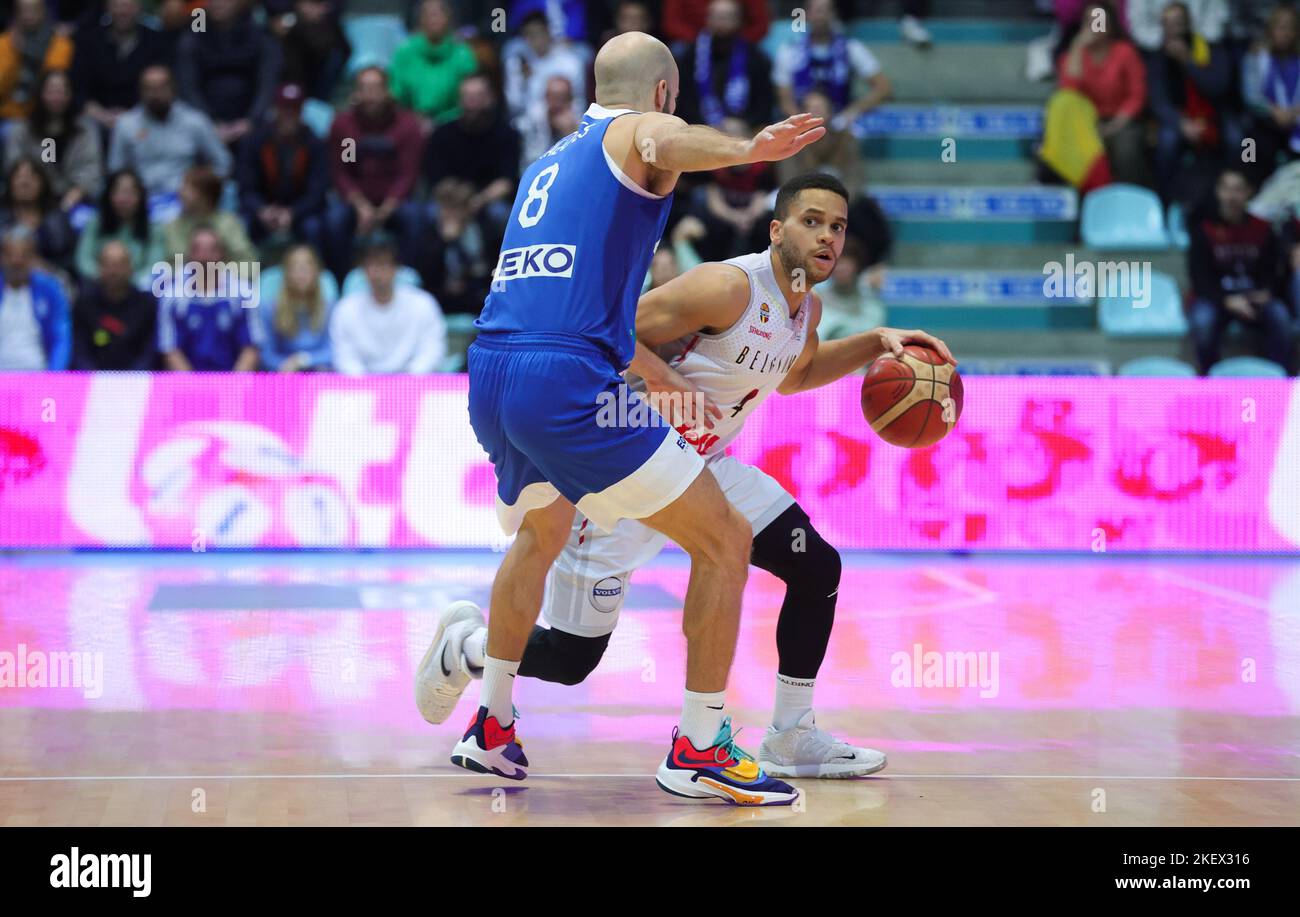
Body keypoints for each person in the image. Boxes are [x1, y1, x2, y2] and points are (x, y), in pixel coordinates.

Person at [419, 172, 955, 778]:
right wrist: (667, 381)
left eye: (837, 226)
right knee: (570, 659)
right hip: (629, 469)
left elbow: (797, 373)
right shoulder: (726, 287)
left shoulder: (808, 308)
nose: (827, 236)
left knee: (816, 564)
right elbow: (610, 333)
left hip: (705, 469)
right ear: (777, 229)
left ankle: (790, 735)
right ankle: (467, 649)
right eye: (812, 221)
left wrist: (874, 344)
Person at [432, 29, 828, 806]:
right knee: (725, 539)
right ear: (663, 93)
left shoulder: (549, 160)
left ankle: (491, 722)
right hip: (564, 377)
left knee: (540, 534)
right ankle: (700, 745)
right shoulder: (633, 131)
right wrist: (748, 144)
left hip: (492, 366)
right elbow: (662, 138)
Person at [1187, 167, 1295, 373]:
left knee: (1280, 316)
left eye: (1238, 190)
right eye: (1226, 189)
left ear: (1248, 193)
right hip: (1216, 298)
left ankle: (1283, 382)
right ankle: (1208, 379)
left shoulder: (1263, 229)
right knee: (1202, 321)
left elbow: (1274, 270)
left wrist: (1267, 291)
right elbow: (1199, 278)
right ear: (1218, 192)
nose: (1231, 196)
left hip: (1254, 297)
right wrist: (1226, 300)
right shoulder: (1204, 229)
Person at [324, 67, 426, 281]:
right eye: (364, 89)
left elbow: (407, 174)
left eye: (376, 88)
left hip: (395, 202)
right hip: (356, 203)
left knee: (415, 219)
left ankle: (409, 281)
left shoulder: (406, 125)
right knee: (334, 220)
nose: (370, 95)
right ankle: (342, 281)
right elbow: (343, 172)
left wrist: (386, 209)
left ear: (387, 91)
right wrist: (361, 207)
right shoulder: (346, 126)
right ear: (356, 93)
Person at [107, 65, 232, 198]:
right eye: (149, 89)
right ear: (141, 92)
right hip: (141, 202)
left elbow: (222, 163)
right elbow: (116, 170)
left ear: (173, 89)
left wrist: (201, 189)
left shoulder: (195, 121)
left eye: (160, 88)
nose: (155, 95)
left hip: (185, 199)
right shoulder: (126, 125)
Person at [328, 235, 446, 374]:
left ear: (396, 267)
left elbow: (432, 350)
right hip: (362, 390)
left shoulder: (423, 305)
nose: (375, 272)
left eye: (382, 264)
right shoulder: (345, 310)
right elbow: (344, 356)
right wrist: (365, 384)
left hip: (412, 388)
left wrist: (408, 381)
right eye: (369, 265)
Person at [175, 0, 281, 150]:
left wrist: (250, 121)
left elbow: (268, 84)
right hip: (203, 120)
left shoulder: (259, 33)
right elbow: (188, 87)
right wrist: (210, 123)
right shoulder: (194, 34)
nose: (217, 2)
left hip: (252, 119)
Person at [236, 83, 328, 249]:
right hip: (263, 209)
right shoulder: (254, 141)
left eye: (294, 109)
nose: (289, 115)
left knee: (314, 227)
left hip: (300, 211)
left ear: (301, 112)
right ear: (275, 110)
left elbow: (317, 193)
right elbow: (246, 188)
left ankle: (316, 273)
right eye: (285, 109)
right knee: (242, 225)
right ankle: (244, 275)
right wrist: (262, 210)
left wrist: (293, 212)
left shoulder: (315, 144)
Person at [156, 227, 261, 371]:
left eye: (211, 250)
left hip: (233, 383)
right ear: (189, 255)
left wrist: (233, 388)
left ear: (222, 254)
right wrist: (194, 387)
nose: (204, 257)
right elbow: (169, 349)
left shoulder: (243, 292)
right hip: (187, 384)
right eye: (198, 250)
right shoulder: (171, 295)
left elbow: (251, 348)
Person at [773, 0, 892, 126]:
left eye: (825, 10)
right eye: (815, 10)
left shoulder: (851, 48)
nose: (820, 15)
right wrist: (800, 124)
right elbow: (785, 100)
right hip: (801, 123)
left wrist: (852, 111)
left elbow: (883, 88)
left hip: (840, 123)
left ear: (833, 14)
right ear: (806, 14)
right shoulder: (789, 51)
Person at [5, 69, 104, 212]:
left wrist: (74, 195)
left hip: (75, 200)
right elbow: (15, 168)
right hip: (31, 201)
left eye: (62, 92)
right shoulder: (21, 131)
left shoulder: (86, 131)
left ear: (70, 95)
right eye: (51, 91)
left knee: (82, 218)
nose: (56, 97)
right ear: (40, 94)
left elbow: (92, 170)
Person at [70, 0, 174, 137]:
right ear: (107, 7)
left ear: (139, 8)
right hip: (95, 118)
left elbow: (163, 86)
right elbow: (77, 87)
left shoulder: (157, 41)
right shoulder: (88, 40)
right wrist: (101, 115)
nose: (123, 11)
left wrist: (130, 118)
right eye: (117, 5)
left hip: (145, 117)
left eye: (128, 6)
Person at [71, 239, 158, 369]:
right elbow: (79, 351)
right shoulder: (84, 304)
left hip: (137, 382)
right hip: (93, 382)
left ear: (130, 268)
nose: (113, 271)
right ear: (99, 268)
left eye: (119, 265)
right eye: (108, 265)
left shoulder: (146, 304)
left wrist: (133, 379)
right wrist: (95, 379)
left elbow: (150, 352)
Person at [390, 0, 477, 125]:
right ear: (420, 20)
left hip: (455, 124)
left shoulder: (463, 54)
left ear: (449, 19)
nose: (433, 19)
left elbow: (469, 99)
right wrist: (414, 120)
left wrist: (442, 121)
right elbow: (396, 95)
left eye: (438, 14)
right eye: (428, 14)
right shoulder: (404, 53)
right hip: (412, 124)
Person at [74, 168, 163, 289]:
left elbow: (154, 266)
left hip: (137, 291)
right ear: (109, 195)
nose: (125, 198)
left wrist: (126, 283)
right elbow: (83, 260)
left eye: (130, 193)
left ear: (140, 197)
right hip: (99, 287)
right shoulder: (95, 223)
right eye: (119, 192)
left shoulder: (153, 228)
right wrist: (107, 279)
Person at [0, 225, 70, 371]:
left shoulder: (50, 289)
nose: (16, 262)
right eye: (10, 254)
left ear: (33, 258)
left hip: (36, 376)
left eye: (23, 255)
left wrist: (53, 377)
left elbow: (61, 338)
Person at [258, 244, 334, 372]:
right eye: (295, 267)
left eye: (306, 267)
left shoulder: (329, 308)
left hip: (318, 375)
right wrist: (285, 365)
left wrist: (303, 360)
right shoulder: (269, 309)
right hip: (281, 374)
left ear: (317, 272)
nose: (301, 273)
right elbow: (265, 354)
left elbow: (333, 351)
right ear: (285, 273)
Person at [161, 165, 255, 264]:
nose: (181, 192)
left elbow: (248, 262)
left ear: (206, 195)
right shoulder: (173, 226)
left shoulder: (229, 224)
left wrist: (219, 275)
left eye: (188, 188)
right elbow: (166, 265)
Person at [0, 0, 74, 120]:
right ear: (16, 14)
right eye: (23, 11)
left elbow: (54, 82)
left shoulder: (60, 43)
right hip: (12, 113)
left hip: (48, 114)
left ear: (44, 12)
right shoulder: (4, 43)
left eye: (34, 10)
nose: (28, 16)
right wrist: (15, 53)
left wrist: (27, 52)